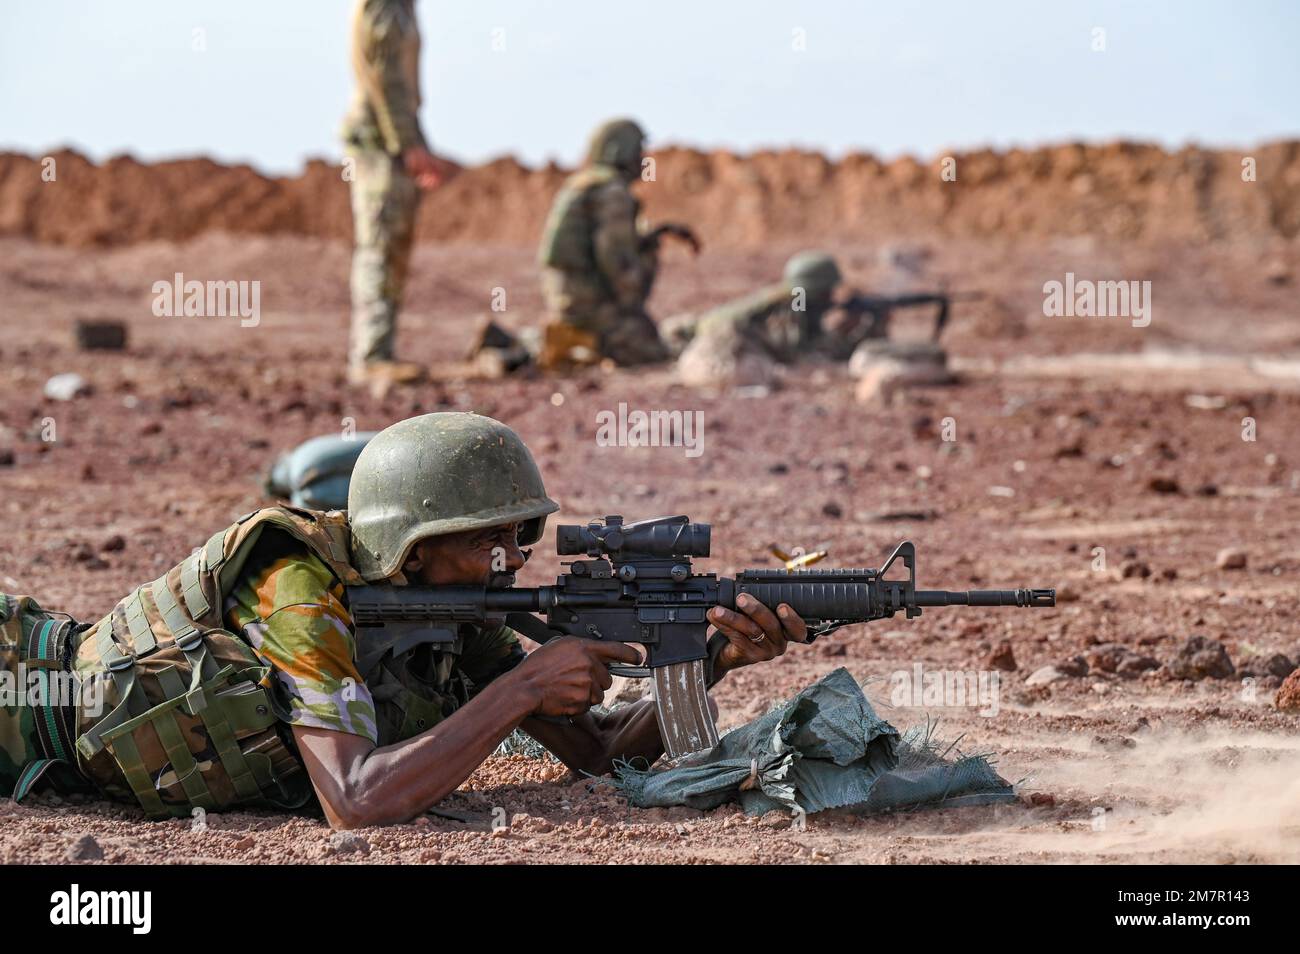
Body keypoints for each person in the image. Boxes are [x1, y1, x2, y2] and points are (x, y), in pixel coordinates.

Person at [1, 413, 805, 828]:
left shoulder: (455, 611)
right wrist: (523, 687)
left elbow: (594, 752)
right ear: (408, 548)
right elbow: (355, 802)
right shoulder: (297, 594)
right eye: (483, 538)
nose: (509, 557)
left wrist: (710, 660)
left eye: (519, 533)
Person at [342, 0, 449, 391]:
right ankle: (371, 357)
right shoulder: (385, 4)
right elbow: (384, 75)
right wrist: (407, 143)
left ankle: (379, 352)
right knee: (380, 246)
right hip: (380, 144)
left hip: (391, 141)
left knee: (393, 246)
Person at [536, 118, 699, 368]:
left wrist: (653, 236)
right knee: (656, 352)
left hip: (568, 299)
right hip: (588, 305)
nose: (643, 159)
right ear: (619, 152)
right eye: (637, 151)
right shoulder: (613, 192)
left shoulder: (586, 183)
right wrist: (635, 301)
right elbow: (617, 264)